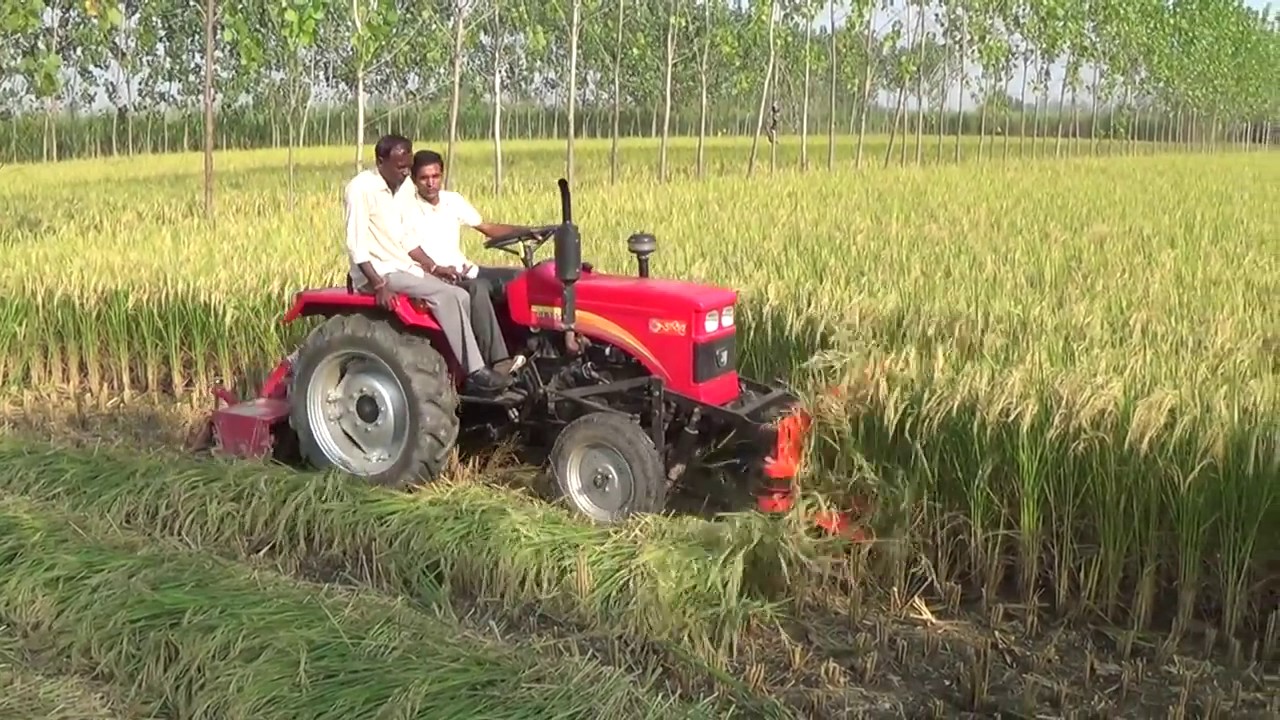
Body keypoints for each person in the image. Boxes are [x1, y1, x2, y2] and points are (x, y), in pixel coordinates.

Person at [344, 134, 512, 395]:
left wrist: (434, 267)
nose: (405, 173)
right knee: (446, 295)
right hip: (380, 271)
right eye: (400, 167)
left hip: (403, 266)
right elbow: (356, 244)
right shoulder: (361, 188)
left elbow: (406, 239)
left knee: (460, 294)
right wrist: (378, 285)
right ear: (380, 162)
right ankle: (476, 372)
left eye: (407, 167)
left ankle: (464, 368)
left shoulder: (401, 191)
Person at [397, 149, 530, 376]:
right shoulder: (407, 209)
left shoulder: (452, 200)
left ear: (442, 174)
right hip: (437, 277)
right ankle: (498, 362)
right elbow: (409, 248)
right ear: (414, 179)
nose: (431, 183)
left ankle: (531, 346)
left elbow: (486, 227)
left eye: (435, 176)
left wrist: (527, 231)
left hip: (466, 269)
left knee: (522, 279)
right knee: (478, 288)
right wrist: (436, 269)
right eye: (424, 178)